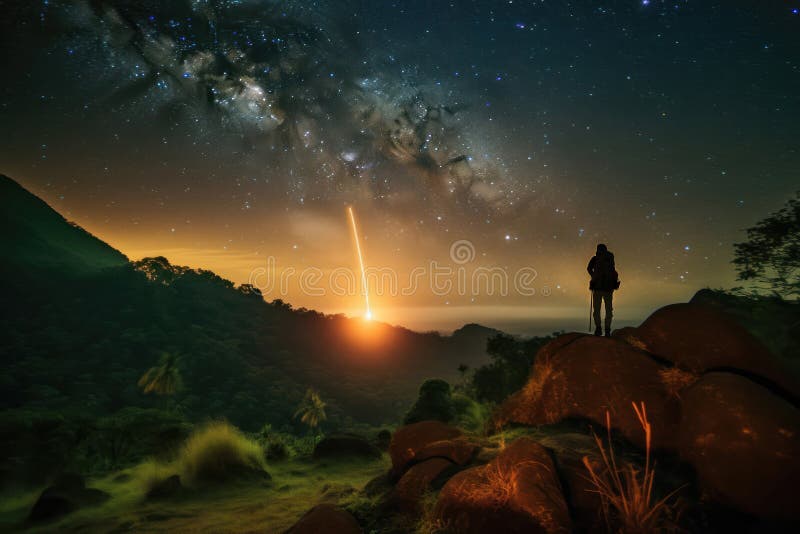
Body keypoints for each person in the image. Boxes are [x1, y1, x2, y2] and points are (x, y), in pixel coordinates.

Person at [587, 244, 620, 337]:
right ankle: (607, 330)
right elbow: (614, 272)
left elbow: (589, 269)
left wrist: (593, 277)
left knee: (597, 310)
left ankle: (598, 329)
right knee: (609, 310)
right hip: (608, 288)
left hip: (597, 288)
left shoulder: (595, 258)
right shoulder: (610, 258)